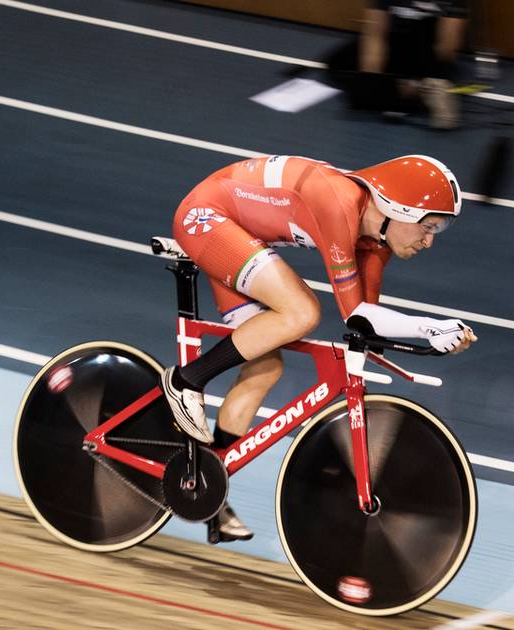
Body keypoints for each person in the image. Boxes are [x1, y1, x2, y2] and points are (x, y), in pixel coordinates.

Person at [162, 154, 476, 542]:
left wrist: (435, 339)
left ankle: (211, 490)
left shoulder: (375, 240)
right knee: (301, 310)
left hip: (237, 231)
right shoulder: (339, 202)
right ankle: (186, 381)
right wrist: (429, 327)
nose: (428, 241)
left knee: (265, 368)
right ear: (397, 209)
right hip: (208, 218)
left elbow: (367, 322)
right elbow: (357, 314)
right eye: (427, 228)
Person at [327, 1, 468, 128]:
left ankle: (414, 90)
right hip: (394, 41)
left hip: (427, 46)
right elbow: (375, 35)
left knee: (445, 69)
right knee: (337, 62)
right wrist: (373, 80)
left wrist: (431, 74)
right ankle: (414, 93)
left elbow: (447, 47)